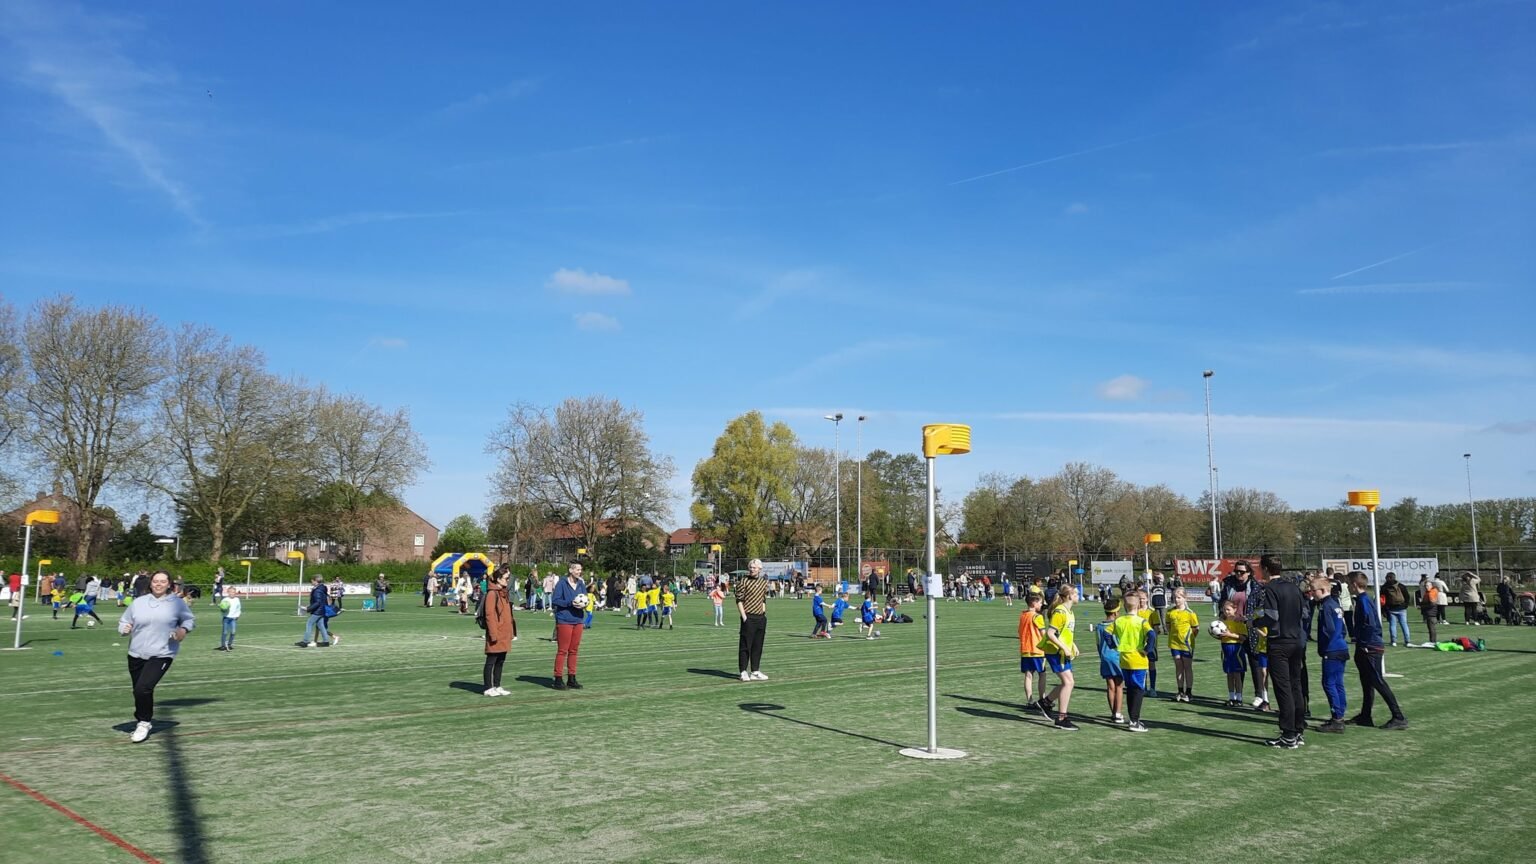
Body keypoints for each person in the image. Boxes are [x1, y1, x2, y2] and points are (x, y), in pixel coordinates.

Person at [117, 571, 195, 743]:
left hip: (162, 653)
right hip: (136, 653)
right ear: (150, 583)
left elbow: (189, 620)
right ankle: (142, 718)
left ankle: (144, 723)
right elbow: (124, 621)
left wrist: (183, 630)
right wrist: (124, 629)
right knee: (139, 690)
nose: (159, 584)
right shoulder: (139, 602)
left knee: (143, 688)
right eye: (155, 581)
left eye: (163, 581)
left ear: (169, 584)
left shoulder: (177, 603)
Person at [1254, 555, 1306, 749]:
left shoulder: (1270, 589)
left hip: (1279, 642)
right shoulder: (1294, 587)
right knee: (1296, 686)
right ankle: (1299, 730)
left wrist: (1254, 622)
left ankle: (1288, 735)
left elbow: (1271, 616)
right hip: (1296, 640)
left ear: (1266, 569)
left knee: (1283, 688)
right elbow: (1305, 612)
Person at [1347, 571, 1408, 730]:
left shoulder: (1364, 601)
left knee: (1377, 681)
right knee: (1367, 682)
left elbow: (1371, 624)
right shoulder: (1362, 600)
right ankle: (1365, 715)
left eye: (1349, 583)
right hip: (1366, 645)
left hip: (1370, 647)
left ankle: (1398, 716)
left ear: (1354, 584)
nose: (1347, 586)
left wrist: (1365, 643)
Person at [1308, 574, 1349, 733]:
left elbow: (1329, 630)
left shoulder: (1326, 606)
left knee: (1329, 683)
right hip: (1341, 647)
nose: (1312, 594)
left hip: (1332, 650)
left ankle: (1337, 719)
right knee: (1338, 683)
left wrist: (1324, 648)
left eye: (1314, 591)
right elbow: (1342, 629)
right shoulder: (1335, 604)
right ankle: (1340, 715)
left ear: (1323, 590)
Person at [1039, 585, 1080, 731]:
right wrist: (1064, 647)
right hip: (1055, 651)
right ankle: (1062, 717)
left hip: (1061, 651)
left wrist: (1072, 645)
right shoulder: (1060, 612)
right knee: (1068, 682)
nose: (1078, 595)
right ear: (1068, 596)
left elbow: (1064, 633)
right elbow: (1051, 633)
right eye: (1075, 593)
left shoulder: (1069, 611)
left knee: (1068, 682)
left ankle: (1046, 702)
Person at [1110, 590, 1151, 732]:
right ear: (1138, 605)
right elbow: (1152, 635)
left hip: (1124, 660)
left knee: (1130, 689)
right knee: (1138, 690)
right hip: (1138, 660)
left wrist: (1113, 645)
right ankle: (1134, 721)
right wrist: (1147, 650)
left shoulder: (1119, 621)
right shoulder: (1141, 621)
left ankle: (1132, 719)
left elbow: (1107, 633)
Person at [551, 563, 587, 690]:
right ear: (570, 570)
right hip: (565, 620)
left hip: (578, 620)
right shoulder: (562, 583)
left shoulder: (581, 584)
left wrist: (584, 604)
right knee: (562, 650)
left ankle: (572, 677)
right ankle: (558, 678)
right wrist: (570, 603)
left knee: (574, 650)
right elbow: (555, 600)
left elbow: (585, 598)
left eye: (580, 570)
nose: (579, 571)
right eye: (577, 569)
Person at [481, 570, 514, 696]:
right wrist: (493, 634)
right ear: (498, 579)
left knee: (501, 661)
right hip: (496, 633)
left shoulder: (503, 593)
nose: (508, 580)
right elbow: (489, 615)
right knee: (491, 661)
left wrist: (510, 632)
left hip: (504, 633)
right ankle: (488, 687)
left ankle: (497, 685)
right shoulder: (492, 594)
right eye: (506, 578)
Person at [736, 558, 769, 681]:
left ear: (760, 569)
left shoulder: (763, 582)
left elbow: (763, 599)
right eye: (750, 567)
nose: (752, 569)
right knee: (745, 645)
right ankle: (743, 671)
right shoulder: (743, 581)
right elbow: (739, 600)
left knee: (758, 646)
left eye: (754, 567)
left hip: (760, 618)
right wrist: (744, 616)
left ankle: (755, 671)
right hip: (748, 617)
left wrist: (763, 613)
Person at [1093, 597, 1124, 724]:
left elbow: (1098, 643)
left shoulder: (1099, 626)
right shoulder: (1117, 625)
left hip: (1105, 658)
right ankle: (1118, 713)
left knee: (1110, 686)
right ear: (1116, 613)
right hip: (1117, 657)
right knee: (1119, 686)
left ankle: (1113, 713)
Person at [1165, 588, 1199, 702]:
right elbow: (1168, 626)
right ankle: (1180, 691)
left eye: (1179, 597)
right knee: (1178, 667)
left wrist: (1188, 639)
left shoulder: (1190, 613)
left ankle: (1189, 691)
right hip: (1174, 644)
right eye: (1175, 597)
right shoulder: (1170, 612)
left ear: (1185, 598)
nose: (1177, 600)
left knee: (1187, 667)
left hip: (1186, 645)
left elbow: (1195, 629)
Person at [1217, 599, 1248, 707]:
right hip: (1225, 648)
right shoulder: (1221, 621)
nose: (1226, 612)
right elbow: (1219, 634)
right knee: (1229, 674)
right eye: (1225, 610)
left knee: (1237, 674)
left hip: (1236, 649)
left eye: (1229, 609)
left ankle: (1239, 698)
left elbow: (1243, 637)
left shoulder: (1238, 621)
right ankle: (1231, 697)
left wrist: (1230, 635)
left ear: (1235, 609)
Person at [301, 574, 335, 648]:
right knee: (321, 625)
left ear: (315, 581)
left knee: (309, 623)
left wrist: (308, 608)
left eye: (312, 580)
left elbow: (317, 602)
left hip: (318, 610)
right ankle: (326, 641)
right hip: (321, 610)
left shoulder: (318, 590)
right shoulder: (321, 588)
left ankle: (305, 641)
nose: (311, 582)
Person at [1382, 572, 1410, 646]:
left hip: (1391, 609)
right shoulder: (1401, 586)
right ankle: (1407, 641)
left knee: (1392, 625)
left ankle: (1394, 641)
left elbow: (1382, 600)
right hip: (1402, 608)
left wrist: (1384, 610)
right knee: (1404, 624)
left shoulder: (1384, 588)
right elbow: (1407, 596)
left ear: (1389, 578)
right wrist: (1405, 605)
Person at [1417, 576, 1439, 644]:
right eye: (1426, 586)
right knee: (1431, 628)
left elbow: (1432, 604)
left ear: (1431, 585)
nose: (1426, 587)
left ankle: (1432, 641)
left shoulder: (1431, 593)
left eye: (1428, 585)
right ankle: (1432, 641)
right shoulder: (1430, 592)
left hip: (1431, 613)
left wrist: (1422, 606)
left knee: (1431, 628)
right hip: (1430, 612)